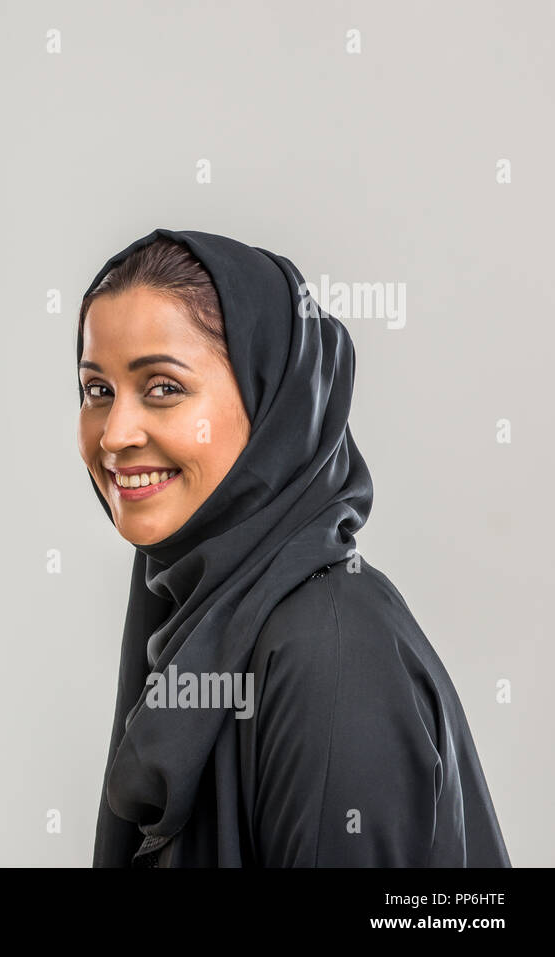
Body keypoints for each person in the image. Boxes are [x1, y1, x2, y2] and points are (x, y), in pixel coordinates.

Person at [77, 229, 510, 867]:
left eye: (163, 388)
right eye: (97, 390)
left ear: (271, 406)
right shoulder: (201, 613)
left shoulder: (329, 649)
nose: (115, 434)